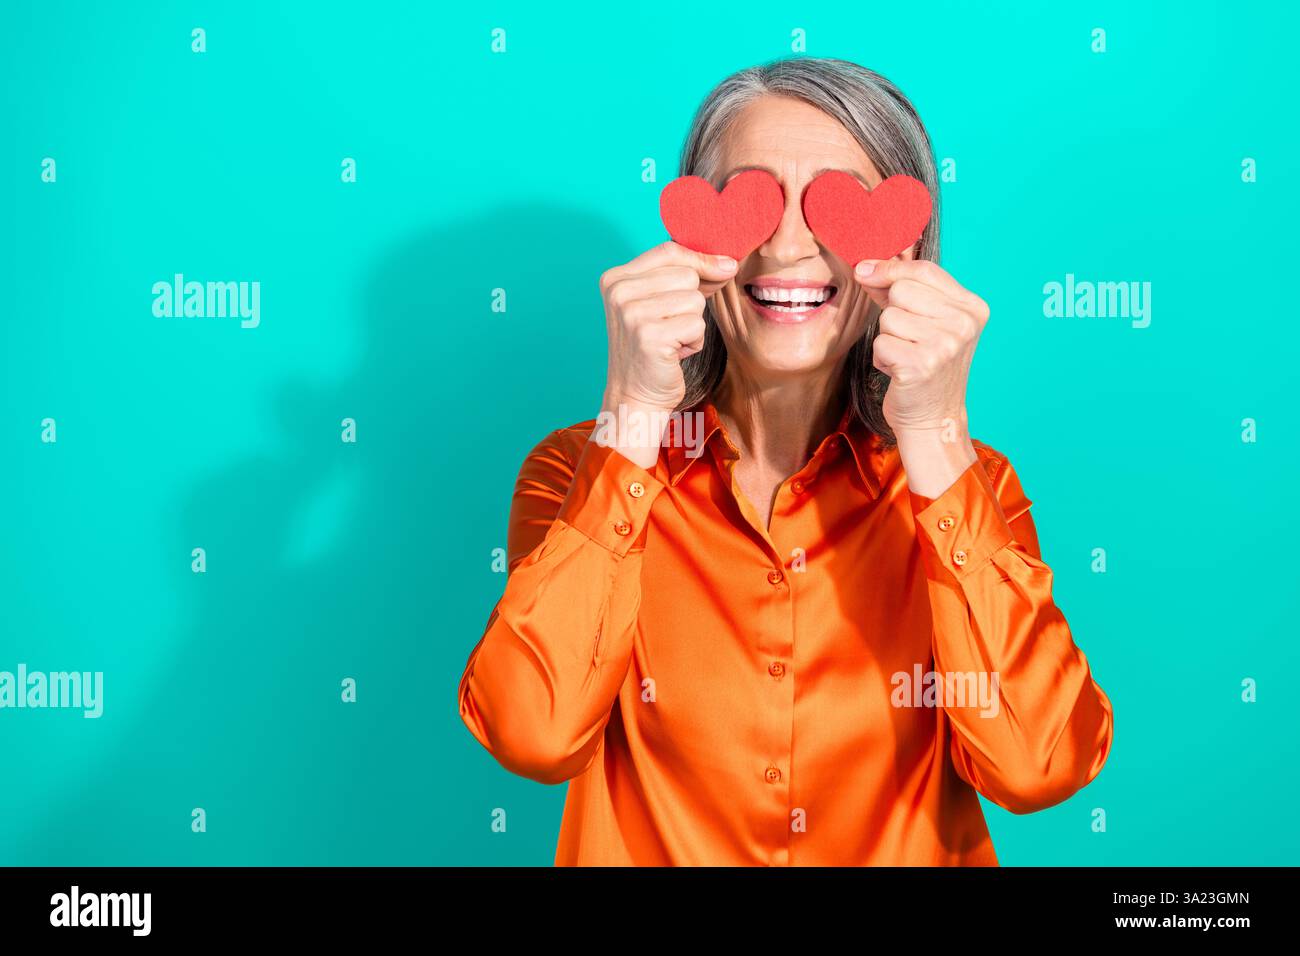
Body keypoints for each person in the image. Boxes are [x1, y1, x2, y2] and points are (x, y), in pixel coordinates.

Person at [457, 57, 1113, 866]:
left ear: (904, 252)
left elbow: (1038, 766)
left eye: (836, 206)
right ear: (692, 237)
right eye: (754, 200)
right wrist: (630, 410)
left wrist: (938, 430)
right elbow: (534, 736)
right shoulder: (574, 472)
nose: (790, 246)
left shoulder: (970, 485)